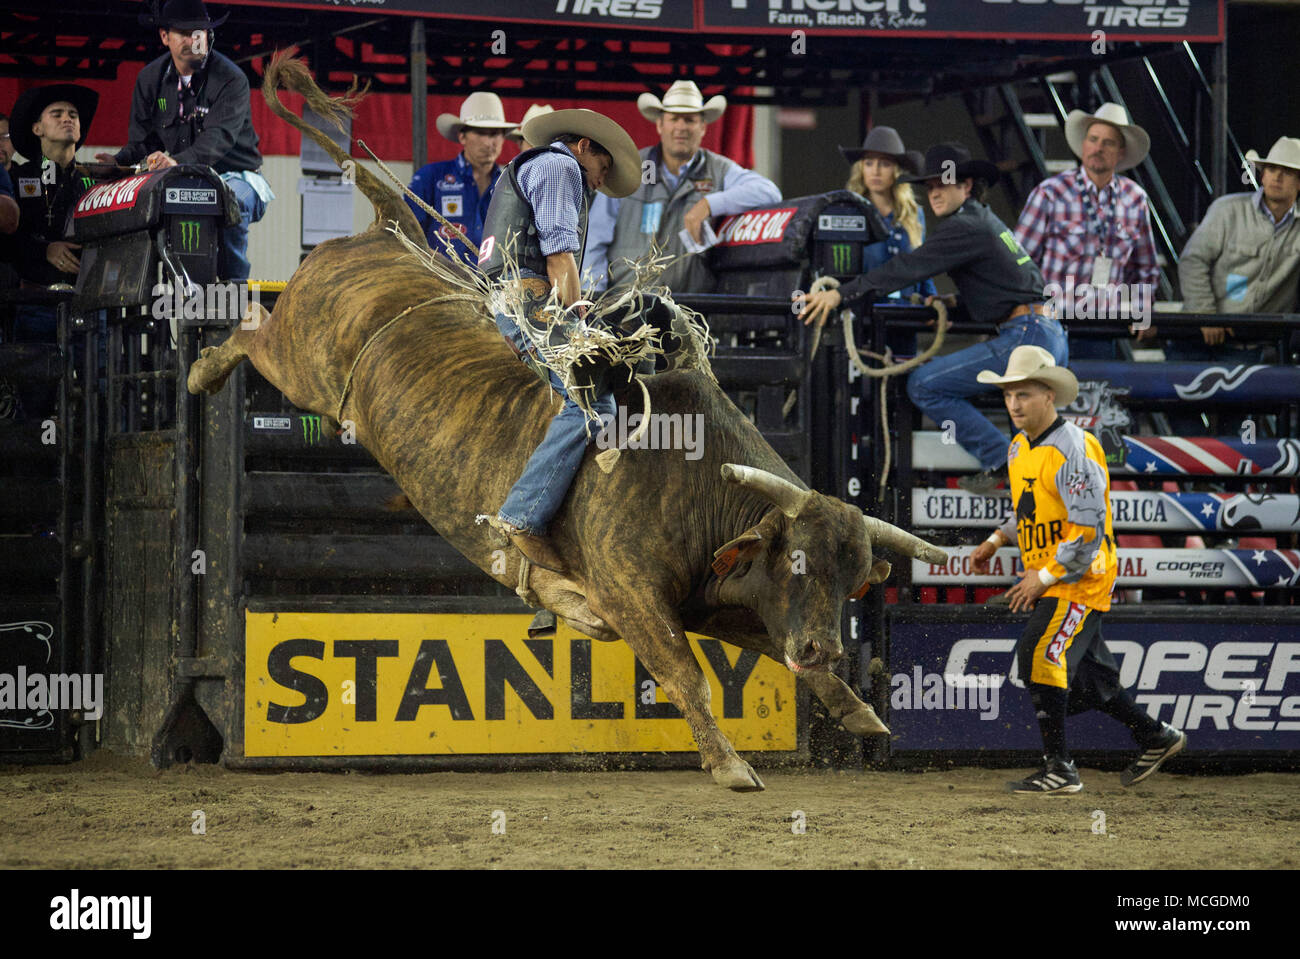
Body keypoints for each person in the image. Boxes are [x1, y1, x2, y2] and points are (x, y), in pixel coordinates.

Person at [969, 346, 1186, 793]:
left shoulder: (1075, 448)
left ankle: (1060, 768)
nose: (1013, 403)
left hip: (1079, 578)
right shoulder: (1018, 448)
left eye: (1024, 394)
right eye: (1009, 394)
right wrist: (996, 539)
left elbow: (1087, 532)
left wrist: (1042, 577)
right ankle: (1154, 735)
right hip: (1055, 576)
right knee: (1090, 679)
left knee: (1040, 658)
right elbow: (1029, 511)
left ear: (1049, 395)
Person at [797, 143, 1065, 495]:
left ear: (966, 186)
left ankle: (1002, 459)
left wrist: (839, 294)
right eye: (930, 186)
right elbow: (1013, 289)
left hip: (1025, 336)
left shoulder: (964, 226)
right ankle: (1031, 482)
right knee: (1036, 450)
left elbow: (906, 268)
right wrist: (954, 306)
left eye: (944, 184)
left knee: (924, 384)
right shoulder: (983, 221)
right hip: (1044, 333)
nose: (934, 192)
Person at [478, 108, 641, 571]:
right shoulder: (559, 167)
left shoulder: (538, 167)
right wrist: (573, 314)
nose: (599, 181)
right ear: (585, 146)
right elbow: (557, 256)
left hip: (519, 299)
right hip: (527, 303)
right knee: (592, 402)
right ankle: (523, 516)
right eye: (603, 168)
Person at [100, 0, 273, 281]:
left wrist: (176, 161)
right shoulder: (149, 79)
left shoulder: (231, 78)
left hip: (239, 176)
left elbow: (219, 138)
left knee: (231, 200)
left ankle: (233, 293)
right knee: (143, 209)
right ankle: (158, 298)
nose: (194, 40)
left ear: (208, 36)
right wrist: (118, 161)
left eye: (199, 33)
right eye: (184, 33)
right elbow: (144, 142)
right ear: (165, 37)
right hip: (180, 176)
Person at [585, 79, 781, 294]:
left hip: (690, 314)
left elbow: (769, 192)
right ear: (660, 124)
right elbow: (595, 239)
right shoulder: (629, 168)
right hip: (624, 309)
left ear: (703, 127)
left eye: (689, 120)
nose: (681, 127)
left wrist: (708, 204)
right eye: (674, 118)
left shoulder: (719, 169)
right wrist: (592, 298)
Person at [1013, 103, 1159, 359]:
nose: (1098, 148)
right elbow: (1019, 262)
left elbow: (1145, 268)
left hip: (1102, 326)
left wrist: (1141, 310)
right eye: (1093, 139)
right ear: (1083, 145)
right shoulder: (1051, 193)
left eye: (1108, 143)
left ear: (1120, 152)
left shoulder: (1135, 199)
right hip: (1052, 322)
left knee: (1093, 395)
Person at [1171, 136, 1300, 366]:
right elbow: (1193, 261)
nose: (1277, 177)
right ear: (1263, 174)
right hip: (1196, 338)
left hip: (1254, 347)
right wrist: (1207, 316)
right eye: (1271, 168)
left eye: (1287, 172)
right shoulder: (1227, 210)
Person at [840, 126, 933, 356]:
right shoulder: (849, 211)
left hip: (905, 316)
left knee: (902, 377)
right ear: (860, 168)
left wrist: (931, 302)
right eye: (869, 163)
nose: (876, 171)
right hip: (864, 316)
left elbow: (923, 265)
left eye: (885, 164)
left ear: (897, 170)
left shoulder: (913, 213)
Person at [407, 92, 516, 266]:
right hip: (441, 284)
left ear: (503, 138)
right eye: (481, 133)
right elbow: (406, 233)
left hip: (497, 288)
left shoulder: (511, 184)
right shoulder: (430, 177)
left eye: (495, 134)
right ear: (462, 136)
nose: (489, 143)